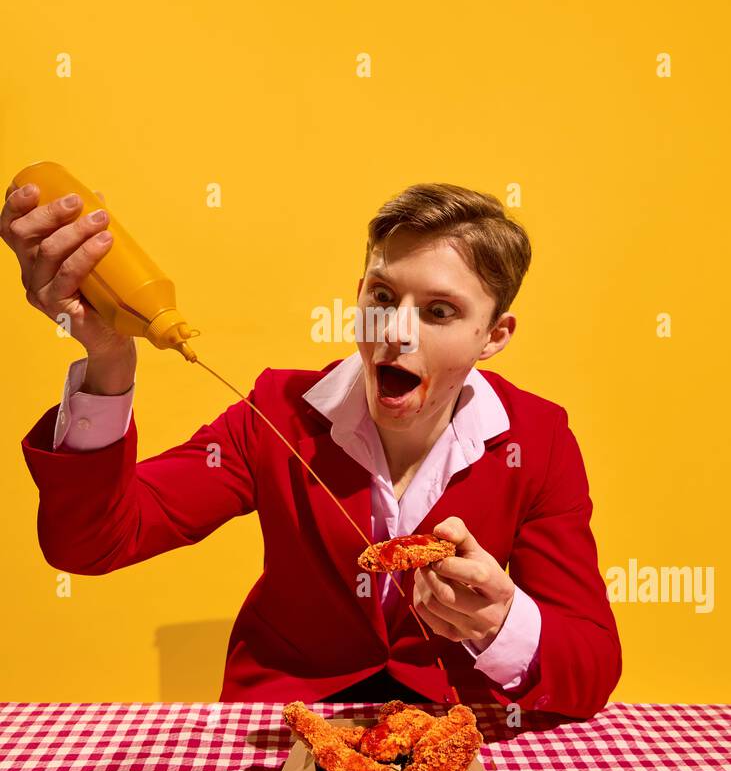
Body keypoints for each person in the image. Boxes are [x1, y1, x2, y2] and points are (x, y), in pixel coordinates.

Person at [3, 179, 621, 716]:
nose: (395, 330)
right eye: (381, 297)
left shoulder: (536, 440)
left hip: (453, 728)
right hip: (285, 721)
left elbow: (592, 666)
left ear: (493, 335)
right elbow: (94, 543)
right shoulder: (277, 413)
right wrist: (109, 358)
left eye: (439, 311)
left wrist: (500, 624)